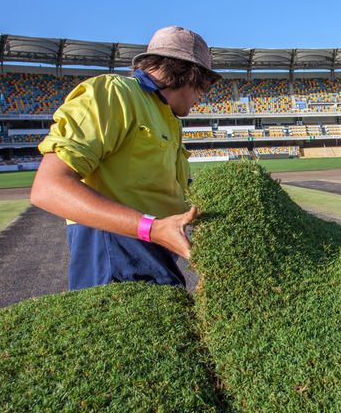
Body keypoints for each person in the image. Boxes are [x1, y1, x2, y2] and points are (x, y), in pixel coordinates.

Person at [31, 26, 222, 290]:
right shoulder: (115, 93)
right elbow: (48, 188)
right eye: (207, 84)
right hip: (112, 251)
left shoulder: (170, 121)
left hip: (157, 253)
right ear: (192, 74)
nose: (205, 94)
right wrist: (151, 229)